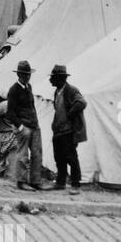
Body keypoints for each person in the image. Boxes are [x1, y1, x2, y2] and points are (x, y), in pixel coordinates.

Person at [5, 60, 45, 190]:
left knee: (37, 153)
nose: (27, 77)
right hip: (24, 127)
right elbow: (10, 113)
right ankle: (21, 182)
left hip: (34, 125)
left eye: (28, 74)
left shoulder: (29, 87)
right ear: (19, 75)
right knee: (22, 155)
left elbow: (31, 106)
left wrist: (35, 123)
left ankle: (35, 181)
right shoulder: (13, 90)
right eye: (24, 74)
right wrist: (20, 126)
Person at [48, 64, 86, 194]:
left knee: (71, 157)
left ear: (60, 78)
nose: (50, 80)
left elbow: (81, 103)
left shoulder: (71, 90)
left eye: (53, 78)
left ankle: (76, 183)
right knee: (59, 157)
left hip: (68, 131)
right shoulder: (57, 92)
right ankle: (61, 182)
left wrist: (69, 115)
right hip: (59, 131)